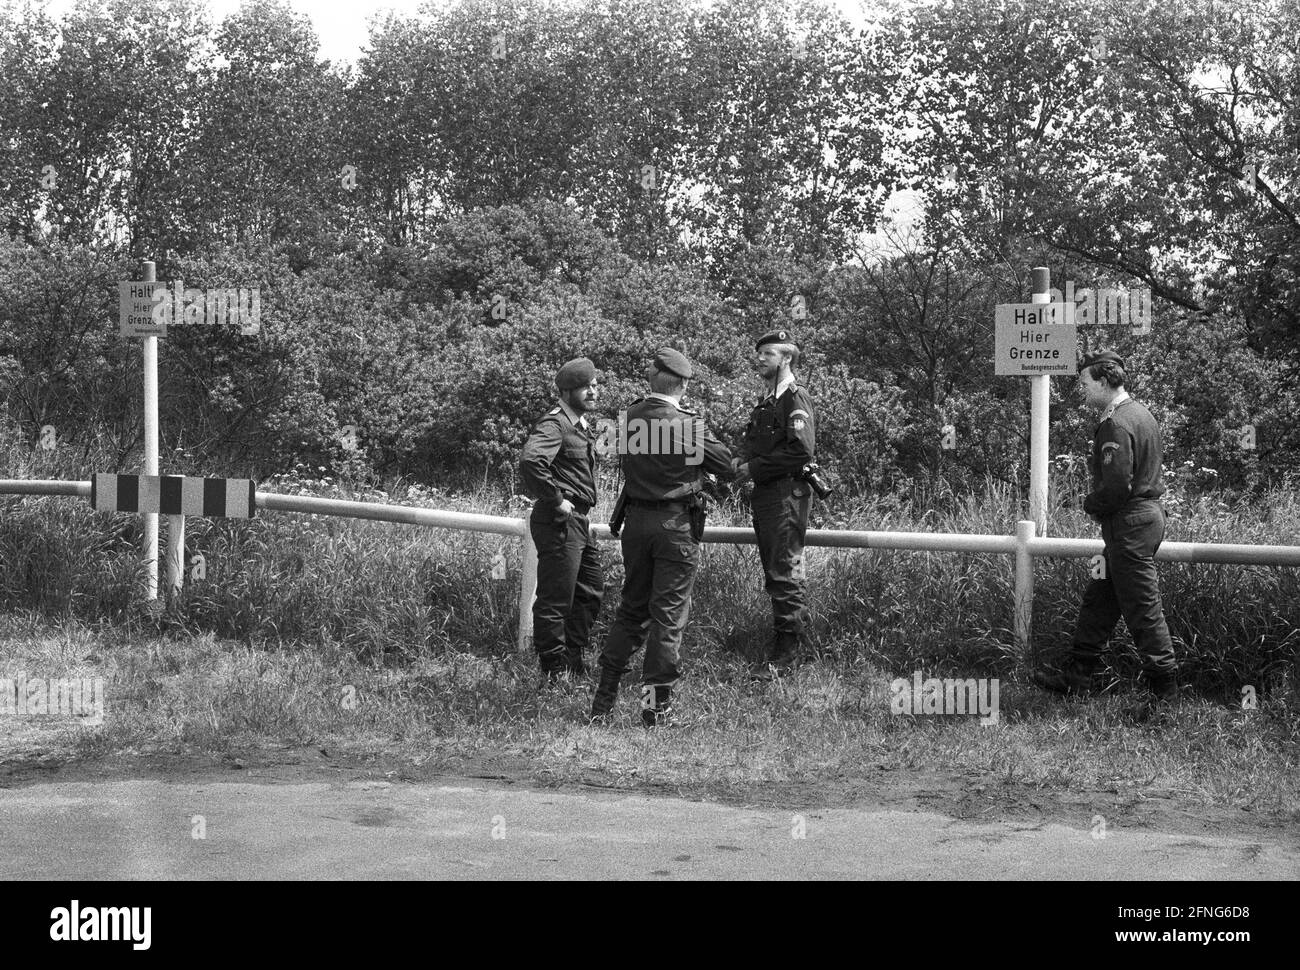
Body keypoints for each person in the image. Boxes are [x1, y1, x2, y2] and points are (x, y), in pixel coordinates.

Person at [590, 347, 734, 727]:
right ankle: (655, 709)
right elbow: (728, 465)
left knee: (631, 610)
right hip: (675, 529)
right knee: (667, 618)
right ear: (684, 385)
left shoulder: (629, 418)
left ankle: (602, 700)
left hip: (635, 526)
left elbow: (609, 451)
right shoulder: (689, 425)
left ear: (652, 378)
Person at [1032, 350, 1178, 715]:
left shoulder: (1116, 423)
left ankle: (1165, 697)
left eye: (1084, 383)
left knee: (1143, 608)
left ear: (1103, 380)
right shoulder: (1142, 414)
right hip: (1141, 521)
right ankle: (1077, 678)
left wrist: (1089, 503)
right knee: (1100, 598)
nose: (1081, 390)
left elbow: (1116, 488)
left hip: (1128, 524)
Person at [732, 329, 817, 668]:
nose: (761, 359)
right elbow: (761, 445)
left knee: (784, 572)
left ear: (786, 358)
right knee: (776, 571)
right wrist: (742, 461)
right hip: (770, 495)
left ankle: (788, 654)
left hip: (786, 495)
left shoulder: (794, 397)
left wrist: (754, 467)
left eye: (768, 353)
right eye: (761, 353)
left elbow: (801, 451)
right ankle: (786, 642)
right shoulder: (769, 401)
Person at [519, 357, 604, 683]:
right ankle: (554, 671)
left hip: (578, 522)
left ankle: (572, 657)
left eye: (595, 385)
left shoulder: (578, 426)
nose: (594, 392)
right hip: (559, 521)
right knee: (556, 598)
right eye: (587, 387)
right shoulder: (555, 425)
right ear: (568, 391)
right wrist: (556, 499)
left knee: (590, 590)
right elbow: (531, 461)